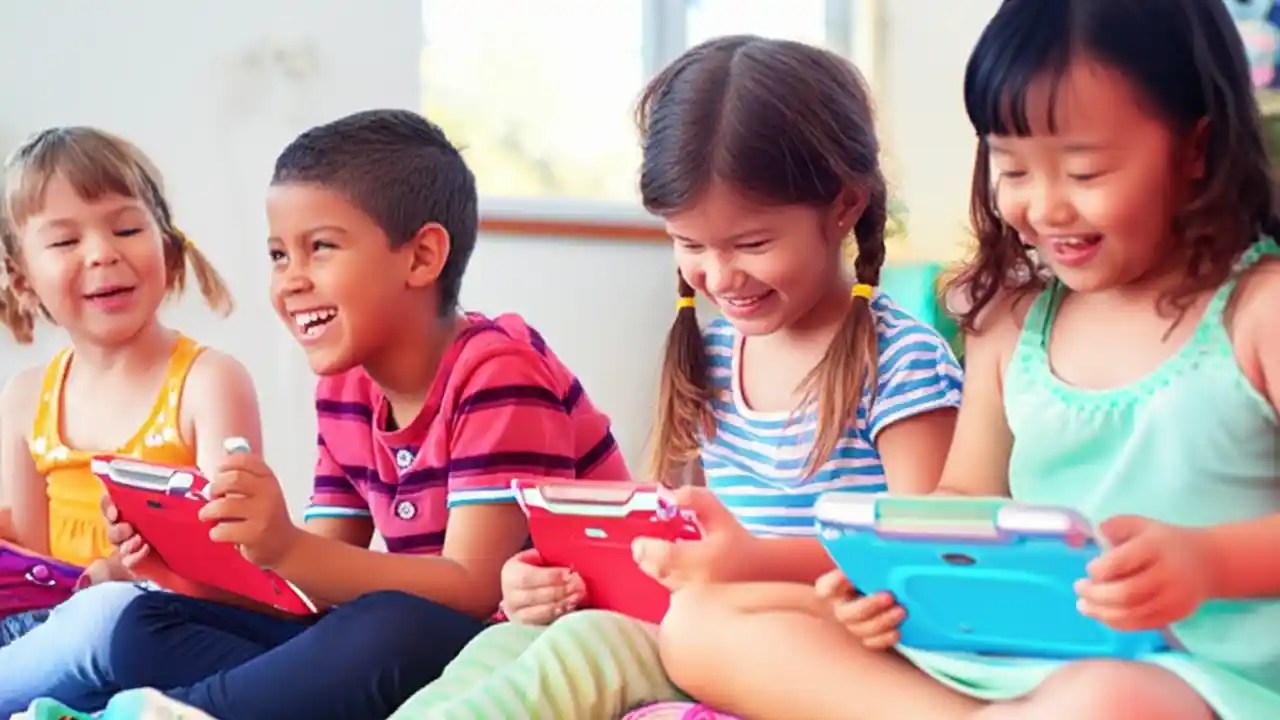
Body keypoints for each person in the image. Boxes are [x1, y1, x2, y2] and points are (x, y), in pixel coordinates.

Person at [654, 2, 1280, 719]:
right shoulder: (1012, 322)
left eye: (1084, 171)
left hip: (1195, 675)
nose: (1044, 207)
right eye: (1012, 170)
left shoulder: (1259, 311)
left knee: (1107, 701)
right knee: (702, 622)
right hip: (1014, 658)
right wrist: (885, 580)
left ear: (1195, 148)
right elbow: (961, 503)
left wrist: (1208, 563)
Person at [391, 35, 963, 720]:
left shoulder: (902, 362)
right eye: (691, 245)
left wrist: (749, 561)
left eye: (753, 244)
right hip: (707, 619)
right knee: (508, 640)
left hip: (810, 641)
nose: (720, 277)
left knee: (584, 655)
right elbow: (674, 529)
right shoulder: (717, 351)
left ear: (843, 206)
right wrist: (549, 579)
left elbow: (927, 563)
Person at [29, 108, 630, 720]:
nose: (290, 280)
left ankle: (170, 713)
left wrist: (285, 546)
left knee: (390, 624)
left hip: (501, 643)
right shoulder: (346, 389)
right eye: (278, 255)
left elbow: (472, 589)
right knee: (142, 621)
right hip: (401, 640)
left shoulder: (499, 373)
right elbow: (309, 590)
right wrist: (184, 572)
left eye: (319, 249)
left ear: (421, 258)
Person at [0, 126, 259, 716]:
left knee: (108, 618)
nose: (101, 252)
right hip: (53, 636)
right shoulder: (23, 399)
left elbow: (241, 559)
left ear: (166, 247)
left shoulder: (208, 382)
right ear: (22, 275)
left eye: (125, 228)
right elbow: (38, 567)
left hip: (160, 621)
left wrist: (125, 571)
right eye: (64, 242)